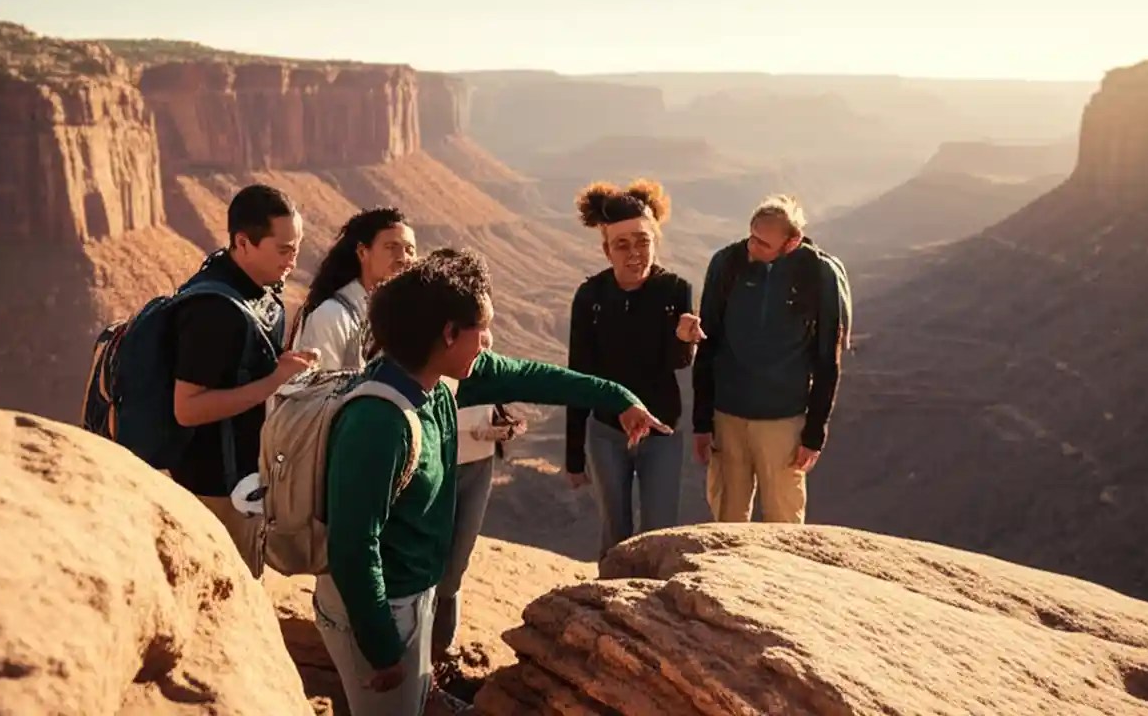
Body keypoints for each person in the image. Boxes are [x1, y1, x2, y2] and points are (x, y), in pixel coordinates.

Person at [314, 248, 669, 716]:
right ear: (447, 333)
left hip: (408, 595)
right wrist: (382, 647)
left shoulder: (438, 382)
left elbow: (531, 377)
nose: (487, 341)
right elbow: (354, 548)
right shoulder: (379, 423)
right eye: (481, 328)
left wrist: (615, 397)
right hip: (379, 607)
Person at [171, 184, 319, 573]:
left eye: (297, 247)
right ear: (243, 242)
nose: (293, 259)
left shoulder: (255, 288)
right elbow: (187, 408)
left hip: (243, 475)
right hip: (214, 487)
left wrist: (282, 368)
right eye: (284, 249)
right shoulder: (214, 312)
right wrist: (274, 380)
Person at [565, 179, 702, 560]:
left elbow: (677, 363)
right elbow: (579, 377)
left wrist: (683, 339)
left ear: (655, 241)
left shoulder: (675, 288)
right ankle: (611, 606)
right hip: (607, 431)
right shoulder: (590, 297)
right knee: (616, 529)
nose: (634, 253)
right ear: (606, 249)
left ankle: (654, 612)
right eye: (622, 244)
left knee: (660, 529)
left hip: (661, 431)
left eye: (643, 241)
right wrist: (574, 456)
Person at [692, 194, 850, 524]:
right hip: (728, 416)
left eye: (763, 243)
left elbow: (827, 359)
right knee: (727, 518)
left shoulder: (817, 275)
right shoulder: (727, 264)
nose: (752, 247)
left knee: (783, 522)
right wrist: (702, 422)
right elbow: (708, 343)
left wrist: (814, 434)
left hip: (783, 421)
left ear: (791, 242)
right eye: (751, 236)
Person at [430, 402, 526, 664]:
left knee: (457, 562)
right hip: (430, 452)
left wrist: (506, 418)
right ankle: (420, 656)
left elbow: (511, 399)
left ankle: (441, 653)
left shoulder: (485, 362)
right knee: (425, 559)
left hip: (478, 458)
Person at [292, 207, 417, 370]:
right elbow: (319, 390)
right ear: (362, 252)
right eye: (391, 247)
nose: (403, 258)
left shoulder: (408, 320)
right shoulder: (331, 315)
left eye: (410, 250)